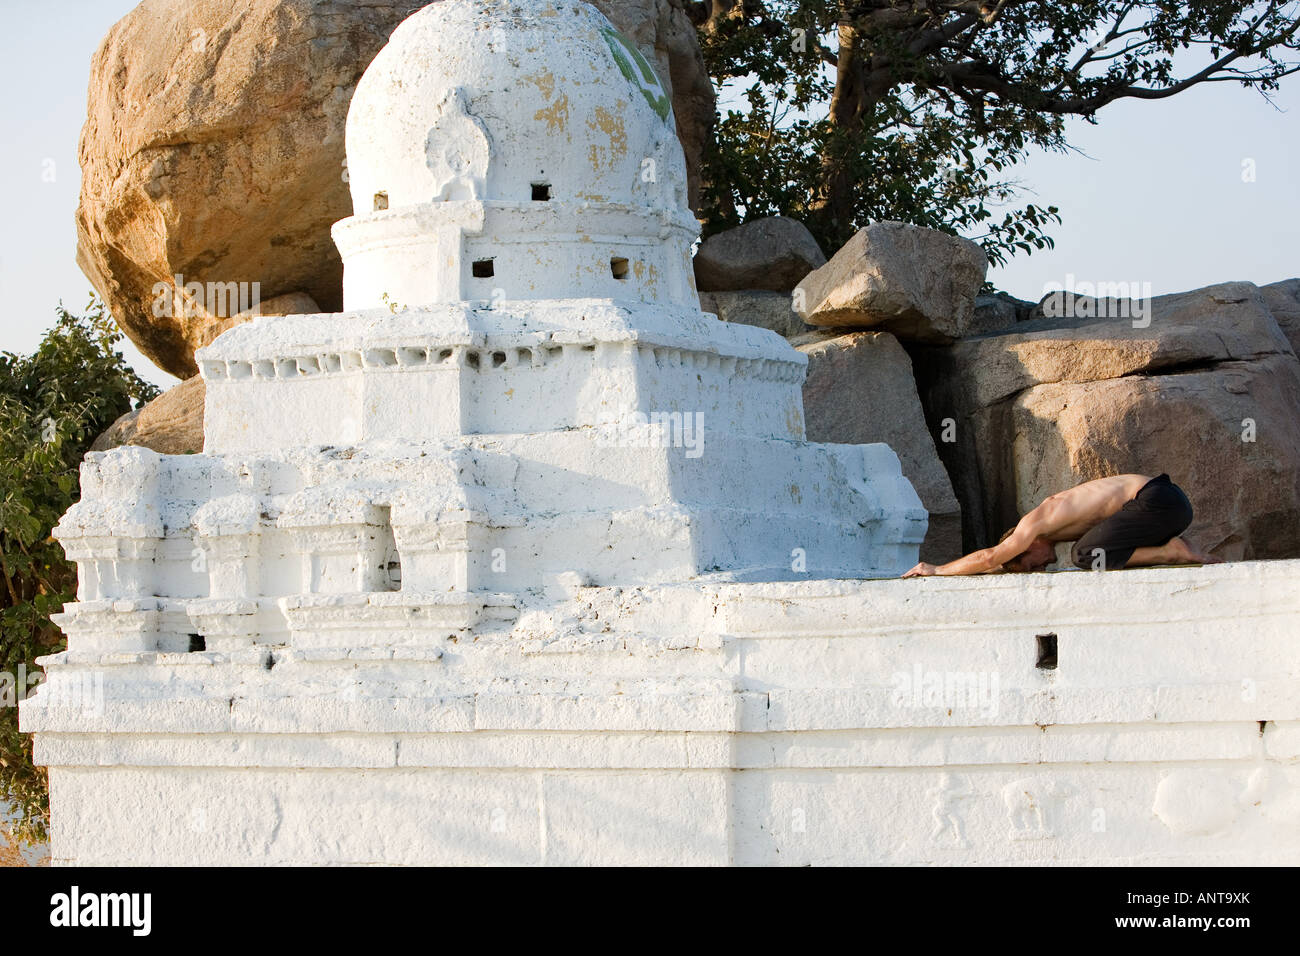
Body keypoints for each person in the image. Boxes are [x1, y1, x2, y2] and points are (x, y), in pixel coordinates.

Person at [902, 473, 1221, 577]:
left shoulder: (1034, 524)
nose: (1036, 571)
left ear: (1024, 547)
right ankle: (1169, 549)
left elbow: (989, 557)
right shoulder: (1058, 526)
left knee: (1084, 555)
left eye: (1027, 566)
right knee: (1098, 552)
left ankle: (1171, 552)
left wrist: (937, 570)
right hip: (1174, 506)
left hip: (1156, 499)